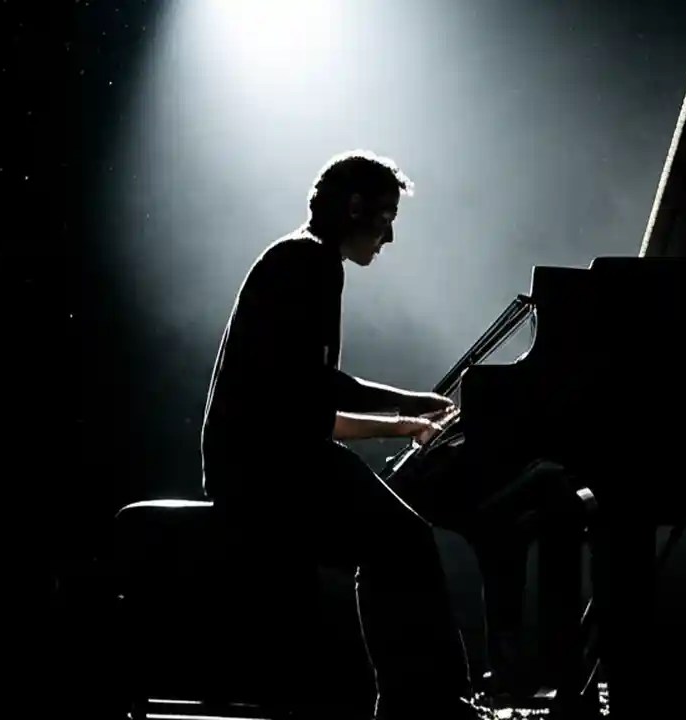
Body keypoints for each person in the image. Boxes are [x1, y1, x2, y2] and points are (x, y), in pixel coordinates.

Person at [199, 150, 485, 720]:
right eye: (385, 219)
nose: (390, 237)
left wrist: (403, 426)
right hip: (265, 471)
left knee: (393, 544)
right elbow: (320, 385)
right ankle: (423, 704)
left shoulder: (299, 259)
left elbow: (306, 406)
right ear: (354, 207)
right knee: (405, 542)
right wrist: (407, 398)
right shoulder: (310, 262)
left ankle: (413, 699)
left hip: (261, 461)